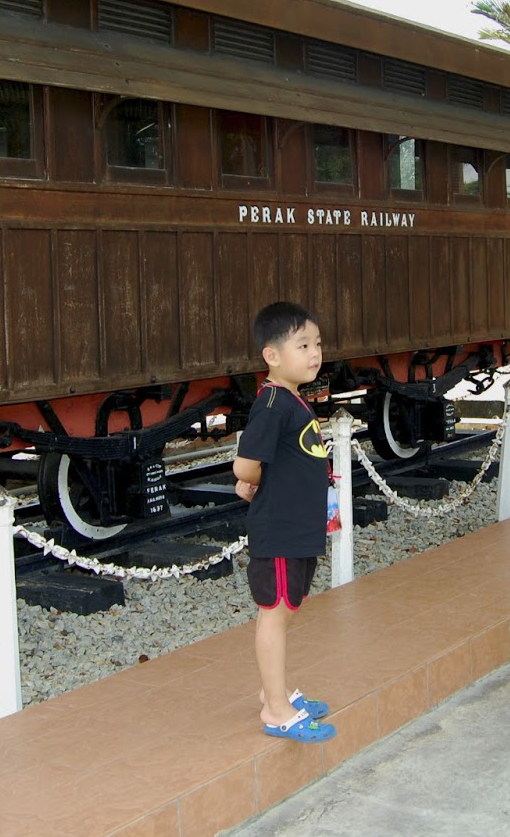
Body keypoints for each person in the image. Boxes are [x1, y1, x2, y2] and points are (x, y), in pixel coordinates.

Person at [233, 301, 338, 742]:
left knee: (287, 609)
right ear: (272, 355)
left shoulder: (292, 399)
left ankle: (272, 690)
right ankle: (275, 710)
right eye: (302, 345)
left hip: (297, 529)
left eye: (316, 344)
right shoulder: (273, 403)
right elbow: (245, 465)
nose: (314, 353)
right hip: (278, 530)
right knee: (274, 614)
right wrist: (250, 484)